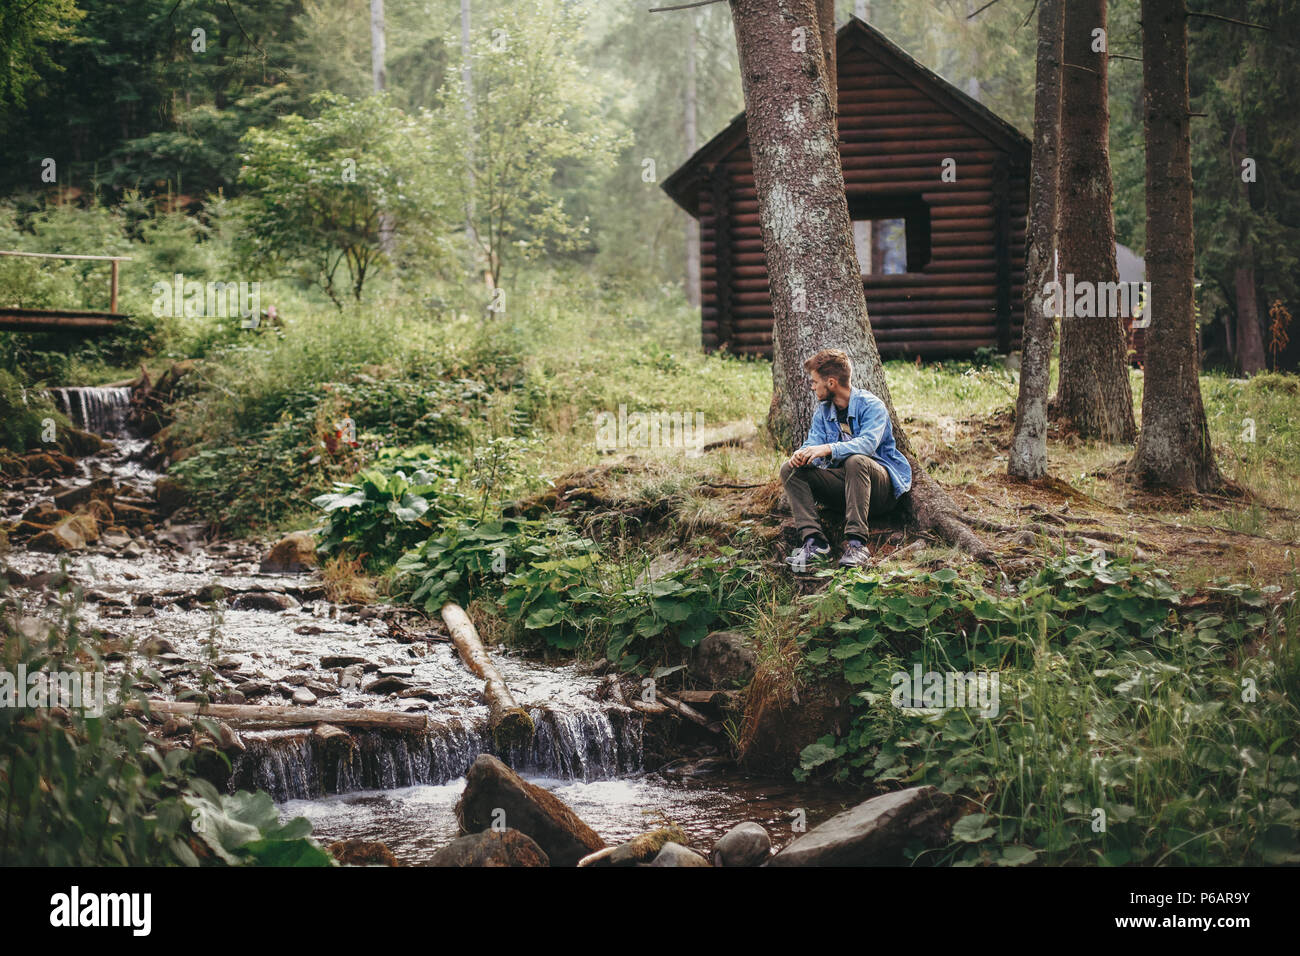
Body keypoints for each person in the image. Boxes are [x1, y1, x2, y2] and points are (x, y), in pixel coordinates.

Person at [779, 348, 912, 570]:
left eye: (814, 382)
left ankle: (857, 544)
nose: (812, 387)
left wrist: (828, 449)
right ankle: (815, 543)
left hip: (880, 490)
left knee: (856, 460)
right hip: (844, 489)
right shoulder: (823, 412)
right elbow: (813, 443)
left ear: (831, 383)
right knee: (789, 469)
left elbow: (868, 445)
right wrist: (802, 455)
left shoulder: (872, 406)